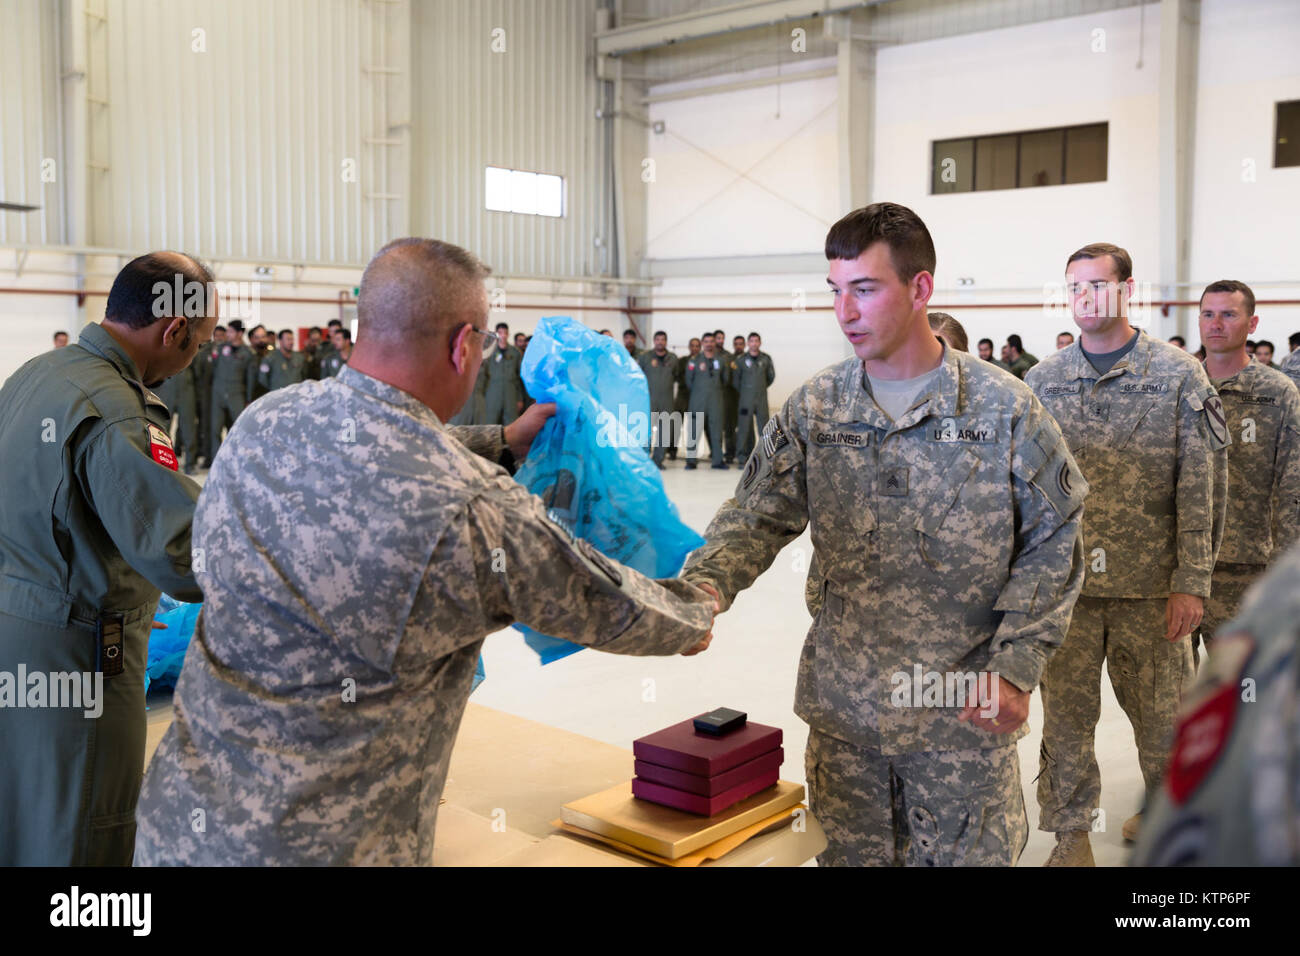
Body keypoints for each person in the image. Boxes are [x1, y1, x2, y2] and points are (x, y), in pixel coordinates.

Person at [134, 237, 717, 866]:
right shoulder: (473, 509)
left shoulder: (266, 421)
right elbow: (608, 602)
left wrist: (503, 440)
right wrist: (696, 610)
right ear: (463, 346)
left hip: (177, 829)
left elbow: (382, 444)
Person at [682, 203, 1087, 866]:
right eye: (836, 292)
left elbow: (1055, 534)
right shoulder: (816, 407)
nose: (845, 312)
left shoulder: (1003, 407)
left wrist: (1016, 666)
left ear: (920, 288)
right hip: (847, 723)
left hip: (960, 720)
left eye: (865, 290)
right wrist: (705, 585)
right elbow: (756, 514)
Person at [0, 252, 216, 866]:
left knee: (25, 809)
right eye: (196, 343)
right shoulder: (120, 410)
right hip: (82, 654)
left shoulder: (35, 375)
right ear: (174, 330)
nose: (190, 359)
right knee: (89, 822)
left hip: (15, 634)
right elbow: (181, 553)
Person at [1025, 242, 1229, 864]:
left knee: (1165, 725)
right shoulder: (1043, 380)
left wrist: (1192, 580)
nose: (1085, 299)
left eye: (1097, 286)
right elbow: (1026, 493)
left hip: (1152, 591)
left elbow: (1202, 485)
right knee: (1065, 724)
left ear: (1126, 289)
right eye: (1075, 288)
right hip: (1068, 593)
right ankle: (1071, 836)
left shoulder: (1176, 375)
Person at [1131, 538, 1300, 865]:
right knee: (1222, 704)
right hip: (1203, 571)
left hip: (1245, 566)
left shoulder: (1283, 604)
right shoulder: (1282, 607)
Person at [1195, 280, 1300, 657]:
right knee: (1169, 701)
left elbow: (1293, 486)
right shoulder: (1180, 384)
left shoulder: (1278, 392)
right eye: (1208, 314)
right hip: (1177, 566)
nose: (1216, 324)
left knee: (1246, 693)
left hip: (1247, 566)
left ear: (1251, 324)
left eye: (1228, 315)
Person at [209, 318, 255, 458]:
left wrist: (248, 398)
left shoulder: (248, 353)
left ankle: (237, 458)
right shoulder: (221, 348)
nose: (227, 334)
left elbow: (250, 379)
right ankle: (216, 460)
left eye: (231, 331)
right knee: (215, 429)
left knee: (238, 428)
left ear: (240, 333)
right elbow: (213, 368)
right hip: (218, 392)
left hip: (237, 394)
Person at [683, 332, 730, 470]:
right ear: (703, 343)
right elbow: (688, 381)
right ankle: (691, 461)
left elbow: (726, 380)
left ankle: (717, 460)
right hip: (697, 400)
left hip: (716, 400)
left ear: (715, 343)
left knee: (716, 431)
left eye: (711, 341)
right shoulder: (694, 361)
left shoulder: (721, 360)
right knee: (693, 430)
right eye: (706, 341)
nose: (709, 344)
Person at [638, 331, 679, 469]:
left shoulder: (673, 358)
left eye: (663, 340)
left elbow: (677, 375)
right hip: (648, 399)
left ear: (666, 342)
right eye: (657, 339)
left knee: (664, 431)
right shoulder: (645, 357)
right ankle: (643, 459)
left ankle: (658, 460)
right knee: (645, 430)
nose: (660, 342)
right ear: (654, 341)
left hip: (666, 400)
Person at [733, 332, 776, 463]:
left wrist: (760, 387)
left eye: (756, 341)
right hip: (746, 400)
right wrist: (747, 390)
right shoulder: (740, 360)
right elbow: (736, 381)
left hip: (761, 398)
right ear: (748, 343)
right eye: (751, 341)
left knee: (765, 427)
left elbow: (770, 377)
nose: (754, 343)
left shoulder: (766, 359)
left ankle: (766, 457)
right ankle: (742, 457)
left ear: (760, 343)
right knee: (743, 428)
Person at [154, 361, 200, 475]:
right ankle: (165, 463)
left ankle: (190, 464)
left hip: (186, 390)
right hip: (167, 389)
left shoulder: (191, 349)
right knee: (163, 430)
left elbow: (197, 373)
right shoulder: (165, 348)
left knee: (189, 428)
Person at [483, 322, 525, 425]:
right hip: (492, 392)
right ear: (496, 334)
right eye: (500, 332)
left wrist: (519, 398)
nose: (503, 335)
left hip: (510, 393)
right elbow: (484, 375)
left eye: (505, 333)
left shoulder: (515, 352)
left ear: (508, 334)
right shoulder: (489, 352)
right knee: (490, 423)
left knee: (511, 423)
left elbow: (519, 378)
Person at [258, 329, 308, 393]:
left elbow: (305, 376)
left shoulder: (299, 357)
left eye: (292, 339)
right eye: (288, 339)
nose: (291, 342)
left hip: (295, 396)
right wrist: (274, 389)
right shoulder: (270, 358)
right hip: (277, 396)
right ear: (280, 341)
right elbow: (263, 379)